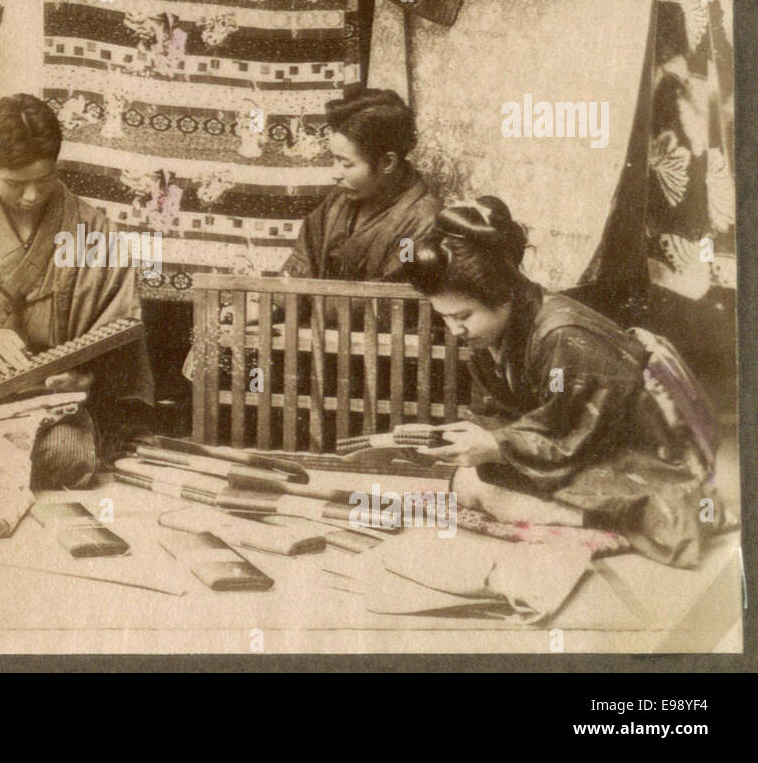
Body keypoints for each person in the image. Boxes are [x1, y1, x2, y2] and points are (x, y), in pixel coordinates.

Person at [405, 196, 722, 567]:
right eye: (445, 317)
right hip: (570, 444)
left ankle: (603, 520)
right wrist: (476, 439)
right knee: (470, 481)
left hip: (641, 452)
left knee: (483, 490)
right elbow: (518, 414)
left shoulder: (562, 334)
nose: (455, 329)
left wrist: (497, 446)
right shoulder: (496, 330)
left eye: (463, 315)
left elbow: (575, 435)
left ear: (503, 295)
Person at [0, 94, 155, 486]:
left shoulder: (96, 232)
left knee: (65, 454)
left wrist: (86, 377)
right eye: (16, 183)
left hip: (56, 404)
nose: (32, 196)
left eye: (45, 179)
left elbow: (120, 330)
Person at [283, 88, 441, 283]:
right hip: (314, 311)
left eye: (346, 164)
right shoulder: (339, 199)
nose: (335, 174)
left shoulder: (422, 220)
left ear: (387, 163)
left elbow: (395, 293)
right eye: (334, 159)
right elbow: (302, 261)